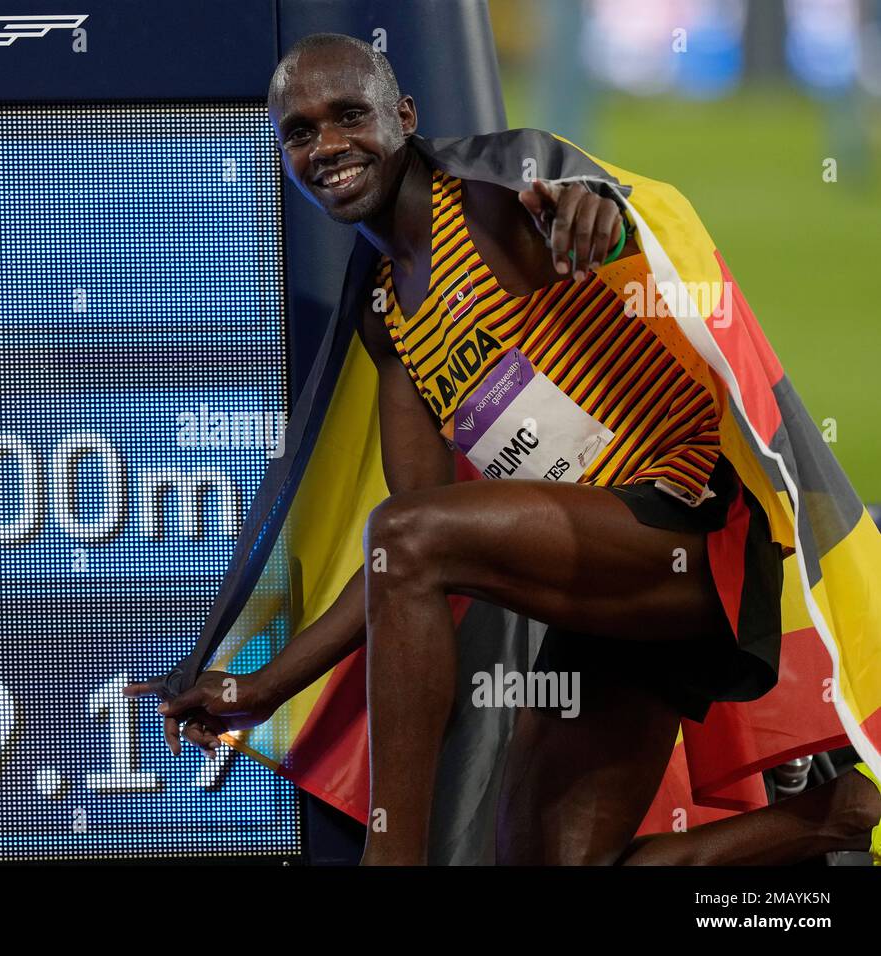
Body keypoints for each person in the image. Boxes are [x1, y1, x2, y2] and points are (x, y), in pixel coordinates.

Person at [126, 33, 881, 865]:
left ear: (404, 117)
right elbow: (401, 560)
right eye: (299, 134)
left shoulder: (491, 202)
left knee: (410, 533)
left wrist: (603, 208)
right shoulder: (388, 318)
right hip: (612, 591)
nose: (327, 147)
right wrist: (261, 689)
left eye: (348, 116)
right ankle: (827, 816)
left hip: (695, 534)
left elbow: (601, 205)